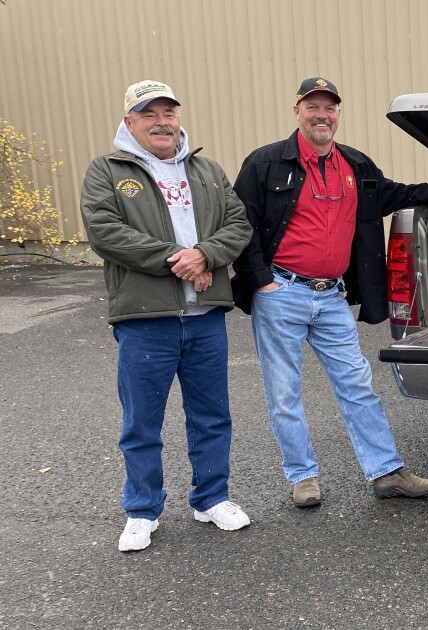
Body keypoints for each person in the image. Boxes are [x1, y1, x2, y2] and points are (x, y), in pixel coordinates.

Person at [232, 77, 428, 507]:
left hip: (331, 297)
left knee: (358, 385)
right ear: (297, 112)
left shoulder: (354, 164)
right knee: (284, 393)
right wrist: (262, 281)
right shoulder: (266, 163)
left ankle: (386, 472)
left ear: (338, 113)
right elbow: (241, 225)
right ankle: (303, 477)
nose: (322, 116)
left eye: (329, 108)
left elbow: (393, 194)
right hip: (282, 292)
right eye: (312, 107)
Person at [80, 80, 253, 551]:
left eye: (168, 112)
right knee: (142, 422)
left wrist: (206, 254)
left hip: (205, 318)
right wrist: (180, 258)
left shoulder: (206, 170)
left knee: (212, 416)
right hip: (145, 319)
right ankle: (142, 509)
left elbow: (238, 223)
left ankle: (211, 498)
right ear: (129, 121)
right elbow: (104, 230)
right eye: (149, 114)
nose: (162, 122)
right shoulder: (108, 170)